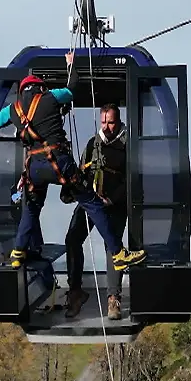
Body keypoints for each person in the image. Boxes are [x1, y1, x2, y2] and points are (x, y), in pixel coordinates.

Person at [0, 50, 146, 276]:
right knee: (91, 203)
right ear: (40, 87)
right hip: (59, 163)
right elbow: (72, 87)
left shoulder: (14, 109)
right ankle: (119, 255)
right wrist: (71, 64)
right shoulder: (50, 96)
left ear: (22, 91)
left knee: (31, 209)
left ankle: (18, 253)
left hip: (35, 168)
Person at [63, 103, 128, 320]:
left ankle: (113, 299)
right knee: (72, 239)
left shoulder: (128, 145)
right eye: (103, 122)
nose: (107, 127)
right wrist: (71, 191)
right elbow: (82, 171)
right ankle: (75, 292)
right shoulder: (93, 144)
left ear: (118, 122)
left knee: (113, 246)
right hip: (91, 203)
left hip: (115, 205)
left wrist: (112, 199)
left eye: (111, 122)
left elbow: (131, 180)